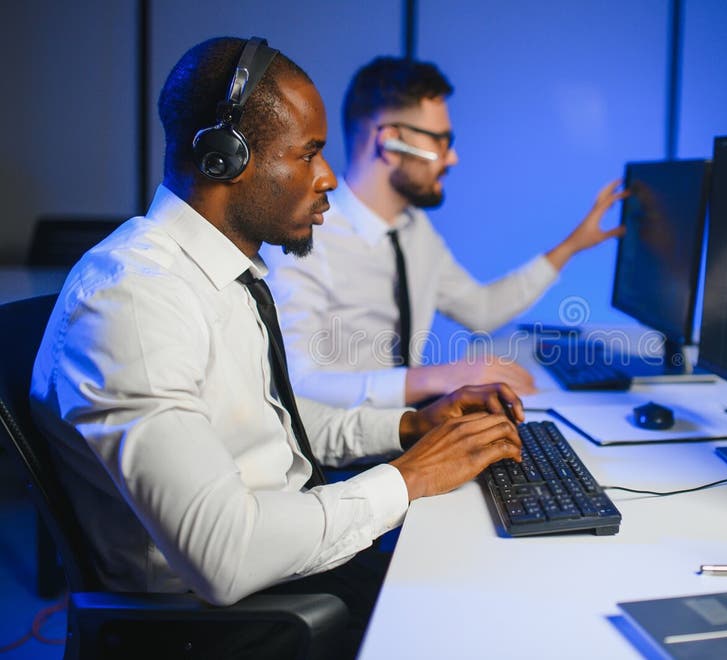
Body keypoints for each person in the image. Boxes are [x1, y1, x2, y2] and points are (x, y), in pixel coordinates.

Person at [30, 37, 522, 658]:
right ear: (225, 159)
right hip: (227, 624)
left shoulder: (218, 277)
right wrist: (410, 477)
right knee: (492, 622)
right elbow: (224, 553)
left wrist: (408, 426)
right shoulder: (133, 300)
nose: (329, 177)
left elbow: (272, 422)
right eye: (308, 153)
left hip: (290, 567)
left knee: (500, 581)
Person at [259, 56, 627, 409]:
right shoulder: (303, 239)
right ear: (389, 142)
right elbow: (296, 383)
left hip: (409, 428)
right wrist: (439, 377)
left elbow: (482, 310)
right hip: (343, 448)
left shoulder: (413, 229)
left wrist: (573, 245)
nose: (452, 158)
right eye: (440, 140)